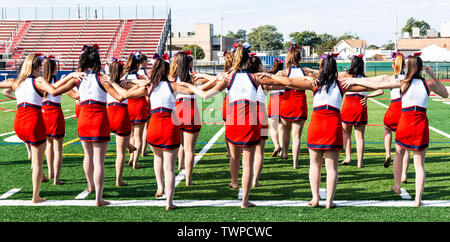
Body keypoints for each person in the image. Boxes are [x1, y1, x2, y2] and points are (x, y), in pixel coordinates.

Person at [177, 43, 311, 208]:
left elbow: (205, 95)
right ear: (248, 61)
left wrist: (189, 86)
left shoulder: (228, 78)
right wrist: (273, 75)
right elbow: (288, 82)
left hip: (234, 121)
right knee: (247, 162)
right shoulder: (256, 78)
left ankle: (234, 182)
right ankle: (245, 200)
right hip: (250, 121)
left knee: (234, 157)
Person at [266, 53, 376, 208]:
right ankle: (330, 201)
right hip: (333, 126)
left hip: (317, 125)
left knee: (314, 165)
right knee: (332, 168)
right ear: (335, 69)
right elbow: (372, 84)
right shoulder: (341, 84)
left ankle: (315, 198)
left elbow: (289, 82)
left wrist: (269, 76)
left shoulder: (314, 83)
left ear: (321, 68)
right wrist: (355, 80)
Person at [341, 54, 449, 207]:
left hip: (405, 122)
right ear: (420, 67)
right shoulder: (428, 84)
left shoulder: (403, 82)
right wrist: (433, 76)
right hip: (420, 123)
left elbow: (378, 84)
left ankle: (397, 186)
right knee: (420, 164)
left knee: (398, 153)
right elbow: (445, 93)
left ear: (407, 67)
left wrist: (354, 80)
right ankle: (418, 199)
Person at [105, 52, 196, 210]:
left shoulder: (149, 87)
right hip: (169, 127)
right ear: (168, 71)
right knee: (169, 167)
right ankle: (169, 202)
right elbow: (193, 92)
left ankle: (159, 187)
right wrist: (190, 83)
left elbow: (125, 95)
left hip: (154, 127)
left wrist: (113, 83)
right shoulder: (173, 85)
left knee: (157, 159)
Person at [52, 44, 129, 206]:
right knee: (99, 160)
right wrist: (113, 83)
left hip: (84, 119)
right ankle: (98, 199)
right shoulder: (102, 79)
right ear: (97, 61)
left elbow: (55, 90)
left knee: (88, 156)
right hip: (99, 119)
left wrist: (69, 77)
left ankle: (90, 185)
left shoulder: (77, 78)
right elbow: (120, 98)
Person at [3, 53, 83, 203]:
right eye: (39, 67)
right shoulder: (39, 81)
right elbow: (53, 90)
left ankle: (42, 175)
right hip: (33, 121)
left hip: (18, 123)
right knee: (38, 163)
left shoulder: (17, 82)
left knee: (35, 155)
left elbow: (4, 87)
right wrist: (70, 78)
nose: (41, 69)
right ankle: (35, 196)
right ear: (36, 67)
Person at [41, 56, 79, 185]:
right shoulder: (57, 83)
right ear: (54, 69)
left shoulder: (40, 82)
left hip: (43, 114)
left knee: (49, 145)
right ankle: (56, 179)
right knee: (58, 149)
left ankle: (51, 172)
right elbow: (76, 95)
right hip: (55, 114)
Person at [340, 55, 384, 168]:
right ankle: (360, 162)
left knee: (346, 133)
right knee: (360, 137)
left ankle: (348, 156)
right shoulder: (365, 79)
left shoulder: (346, 76)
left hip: (348, 105)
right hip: (360, 104)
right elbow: (380, 90)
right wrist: (368, 97)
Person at [170, 51, 202, 186]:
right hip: (190, 111)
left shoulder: (171, 79)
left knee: (180, 144)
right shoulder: (194, 78)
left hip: (176, 111)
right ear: (189, 64)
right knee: (190, 149)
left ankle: (179, 165)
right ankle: (188, 179)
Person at [106, 58, 135, 187]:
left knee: (99, 152)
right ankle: (118, 180)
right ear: (121, 71)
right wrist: (131, 80)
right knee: (120, 153)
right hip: (121, 114)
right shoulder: (125, 84)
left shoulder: (104, 83)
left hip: (108, 114)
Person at [278, 43, 308, 169]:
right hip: (299, 102)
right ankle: (295, 162)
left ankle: (284, 152)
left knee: (285, 129)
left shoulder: (283, 73)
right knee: (297, 136)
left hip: (286, 102)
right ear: (300, 59)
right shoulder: (305, 72)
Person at [382, 52, 410, 183]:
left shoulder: (391, 78)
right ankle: (404, 174)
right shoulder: (409, 78)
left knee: (387, 129)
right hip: (405, 110)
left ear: (394, 65)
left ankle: (388, 152)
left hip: (393, 108)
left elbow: (378, 87)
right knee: (405, 145)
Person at [123, 52, 149, 169]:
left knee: (131, 135)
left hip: (128, 107)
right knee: (138, 136)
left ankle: (131, 157)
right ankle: (135, 162)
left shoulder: (123, 78)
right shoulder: (141, 78)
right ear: (138, 65)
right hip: (139, 106)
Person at [267, 58, 285, 157]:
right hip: (283, 101)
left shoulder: (271, 75)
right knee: (282, 127)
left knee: (273, 128)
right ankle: (282, 150)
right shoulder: (285, 74)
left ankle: (276, 145)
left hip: (274, 101)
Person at [137, 52, 151, 157]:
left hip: (132, 101)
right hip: (144, 100)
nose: (148, 63)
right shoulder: (145, 73)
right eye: (146, 61)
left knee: (134, 130)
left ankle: (134, 151)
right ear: (143, 62)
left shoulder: (132, 72)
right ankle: (143, 150)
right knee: (146, 127)